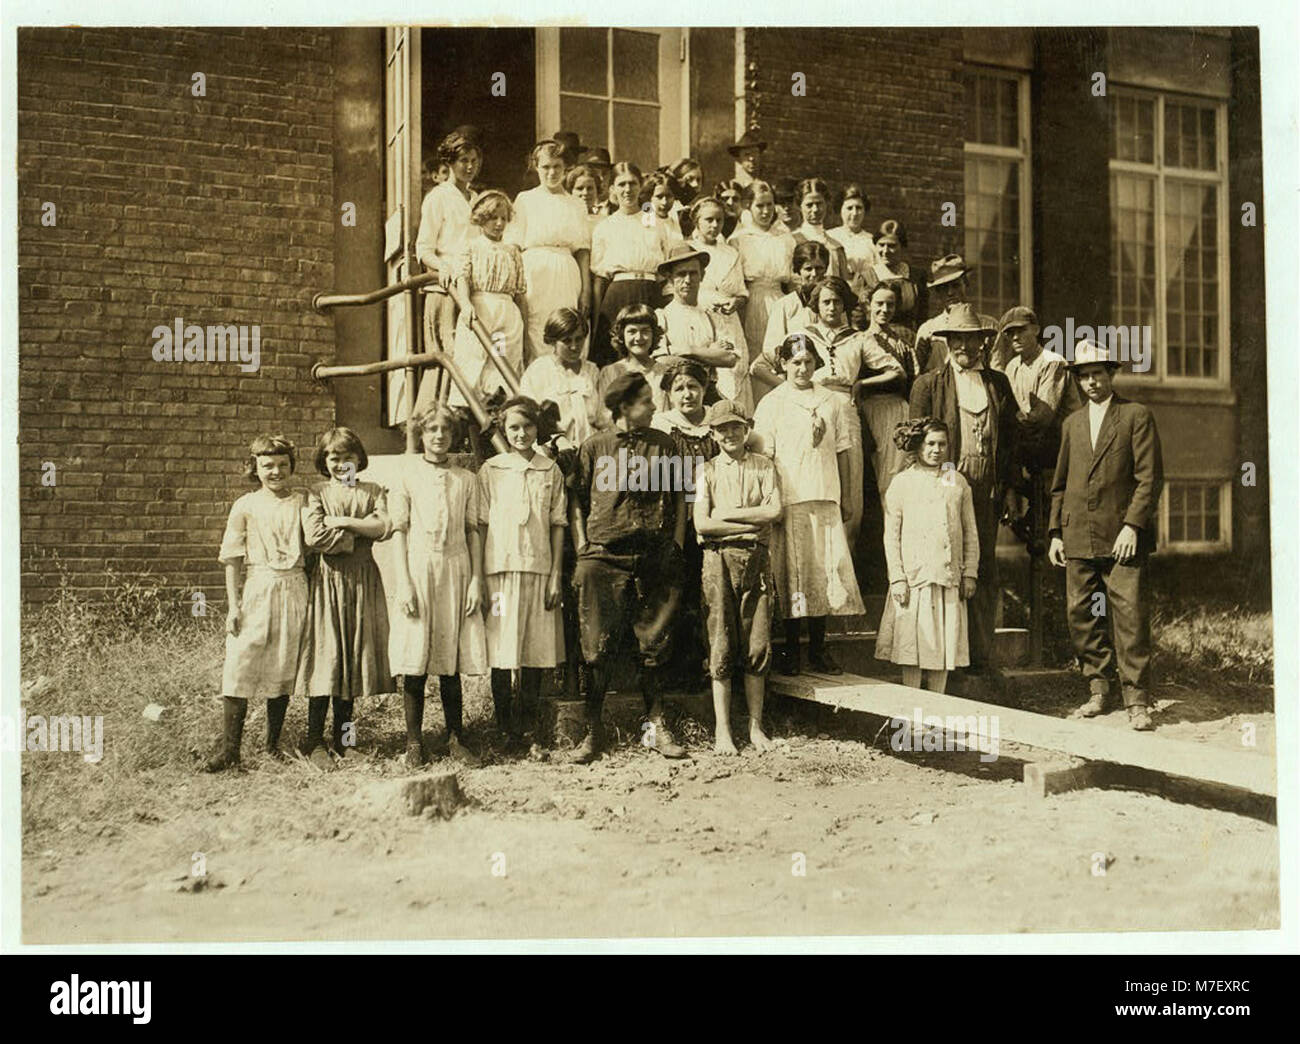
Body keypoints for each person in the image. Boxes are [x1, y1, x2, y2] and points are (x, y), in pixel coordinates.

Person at [570, 372, 689, 763]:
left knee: (654, 645)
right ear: (624, 407)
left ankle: (655, 727)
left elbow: (680, 499)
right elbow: (576, 501)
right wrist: (582, 548)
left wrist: (675, 544)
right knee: (596, 647)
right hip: (604, 557)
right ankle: (592, 730)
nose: (656, 407)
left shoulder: (665, 444)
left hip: (654, 556)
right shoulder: (594, 447)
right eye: (647, 401)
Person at [1049, 340, 1164, 731]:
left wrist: (1133, 525)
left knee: (1129, 614)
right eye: (1084, 376)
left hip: (1121, 537)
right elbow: (1060, 484)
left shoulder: (1135, 416)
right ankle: (1098, 688)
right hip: (1078, 534)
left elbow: (1149, 479)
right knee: (1081, 614)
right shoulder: (1072, 424)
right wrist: (1055, 533)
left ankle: (1137, 699)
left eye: (1098, 373)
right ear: (1078, 381)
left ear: (1111, 375)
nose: (1092, 382)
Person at [909, 303, 1018, 685]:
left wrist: (1009, 489)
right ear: (947, 342)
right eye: (957, 340)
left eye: (971, 340)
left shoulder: (997, 384)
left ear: (982, 344)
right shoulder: (928, 384)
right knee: (946, 571)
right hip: (944, 492)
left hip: (986, 490)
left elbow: (1010, 444)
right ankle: (945, 657)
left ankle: (982, 658)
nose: (964, 348)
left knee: (982, 568)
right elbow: (913, 442)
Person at [753, 334, 865, 676]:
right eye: (795, 362)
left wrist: (846, 495)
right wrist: (772, 499)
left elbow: (845, 449)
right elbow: (764, 455)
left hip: (825, 494)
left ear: (817, 363)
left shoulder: (834, 401)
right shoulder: (772, 402)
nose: (802, 368)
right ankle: (793, 649)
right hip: (790, 498)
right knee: (795, 575)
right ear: (784, 364)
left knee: (823, 573)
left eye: (808, 362)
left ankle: (818, 648)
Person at [388, 405, 488, 769]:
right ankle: (414, 742)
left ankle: (455, 738)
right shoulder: (406, 473)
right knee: (416, 657)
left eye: (446, 430)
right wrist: (404, 583)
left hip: (456, 568)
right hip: (419, 566)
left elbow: (472, 530)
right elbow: (399, 530)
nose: (439, 436)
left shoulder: (466, 478)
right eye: (432, 429)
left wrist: (476, 579)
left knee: (450, 659)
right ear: (421, 433)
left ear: (454, 435)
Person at [205, 435, 309, 772]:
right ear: (255, 468)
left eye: (282, 464)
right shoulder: (245, 505)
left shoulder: (303, 502)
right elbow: (232, 558)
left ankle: (272, 745)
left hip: (293, 585)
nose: (276, 471)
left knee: (282, 663)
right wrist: (234, 606)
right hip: (257, 587)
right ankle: (229, 750)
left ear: (291, 466)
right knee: (240, 663)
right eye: (267, 466)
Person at [296, 428, 392, 769]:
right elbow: (315, 536)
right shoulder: (317, 492)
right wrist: (356, 533)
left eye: (347, 458)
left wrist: (344, 520)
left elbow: (383, 528)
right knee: (327, 659)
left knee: (352, 661)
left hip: (363, 581)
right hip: (329, 582)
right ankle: (313, 741)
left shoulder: (373, 490)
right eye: (334, 458)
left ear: (358, 459)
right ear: (324, 461)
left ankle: (345, 741)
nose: (341, 465)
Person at [478, 396, 568, 753]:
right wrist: (480, 577)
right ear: (503, 429)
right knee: (502, 650)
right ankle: (504, 731)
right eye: (513, 427)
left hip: (538, 570)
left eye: (527, 426)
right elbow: (482, 525)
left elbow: (558, 524)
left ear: (537, 428)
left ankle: (528, 732)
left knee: (534, 652)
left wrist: (556, 575)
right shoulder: (492, 470)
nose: (521, 433)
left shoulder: (551, 470)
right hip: (499, 571)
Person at [694, 399, 782, 754]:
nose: (729, 434)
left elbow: (774, 511)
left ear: (746, 429)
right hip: (717, 562)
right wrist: (749, 522)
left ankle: (756, 727)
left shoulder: (764, 466)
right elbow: (702, 523)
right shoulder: (706, 472)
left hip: (757, 559)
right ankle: (723, 730)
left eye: (735, 426)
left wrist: (726, 516)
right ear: (713, 435)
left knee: (757, 642)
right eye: (721, 429)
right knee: (721, 641)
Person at [800, 275, 906, 547]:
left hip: (846, 408)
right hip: (812, 407)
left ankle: (848, 559)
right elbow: (770, 366)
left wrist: (860, 383)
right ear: (817, 305)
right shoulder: (803, 335)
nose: (832, 307)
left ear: (845, 304)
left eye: (837, 301)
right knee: (815, 477)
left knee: (851, 480)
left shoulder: (858, 339)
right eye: (826, 302)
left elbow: (896, 370)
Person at [875, 418, 980, 693]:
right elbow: (891, 535)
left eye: (942, 444)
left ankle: (937, 707)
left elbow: (969, 531)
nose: (937, 450)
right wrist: (897, 578)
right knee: (913, 647)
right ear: (918, 445)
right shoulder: (903, 482)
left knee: (942, 650)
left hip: (947, 577)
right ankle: (913, 712)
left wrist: (969, 571)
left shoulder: (955, 481)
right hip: (914, 579)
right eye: (930, 443)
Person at [652, 358, 720, 688]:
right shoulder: (663, 426)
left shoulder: (717, 424)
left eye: (693, 386)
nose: (687, 394)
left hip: (713, 518)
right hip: (674, 519)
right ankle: (675, 666)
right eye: (679, 388)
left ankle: (708, 664)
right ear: (667, 393)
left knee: (706, 590)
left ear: (705, 388)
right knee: (676, 588)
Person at [994, 306, 1080, 552]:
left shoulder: (1053, 362)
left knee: (1056, 526)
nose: (1015, 338)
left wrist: (1012, 436)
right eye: (1010, 333)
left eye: (1021, 330)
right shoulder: (1012, 367)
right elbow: (1010, 414)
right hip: (1031, 448)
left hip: (1059, 451)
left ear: (1036, 329)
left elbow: (1042, 418)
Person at [414, 127, 482, 412]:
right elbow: (424, 249)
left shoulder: (478, 198)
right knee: (444, 356)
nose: (469, 166)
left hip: (473, 287)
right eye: (463, 160)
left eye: (474, 161)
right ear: (450, 163)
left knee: (469, 356)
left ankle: (458, 425)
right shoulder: (438, 197)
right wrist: (445, 267)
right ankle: (429, 422)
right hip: (444, 287)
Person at [510, 140, 592, 364]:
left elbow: (583, 250)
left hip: (566, 271)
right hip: (534, 272)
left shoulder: (576, 204)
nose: (552, 172)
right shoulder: (525, 200)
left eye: (557, 166)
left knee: (566, 326)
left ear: (566, 168)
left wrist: (585, 291)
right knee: (536, 327)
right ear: (536, 167)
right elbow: (514, 247)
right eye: (546, 167)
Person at [447, 190, 528, 408]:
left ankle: (498, 409)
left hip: (506, 314)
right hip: (480, 308)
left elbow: (520, 292)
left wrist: (525, 326)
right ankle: (468, 416)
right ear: (482, 218)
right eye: (493, 218)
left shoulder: (512, 251)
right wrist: (465, 304)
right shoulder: (471, 246)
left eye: (503, 218)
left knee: (501, 361)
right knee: (473, 361)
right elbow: (462, 277)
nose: (499, 223)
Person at [590, 162, 675, 368]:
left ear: (641, 186)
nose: (627, 190)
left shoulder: (654, 222)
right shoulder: (605, 226)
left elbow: (667, 268)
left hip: (650, 292)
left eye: (632, 183)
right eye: (621, 184)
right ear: (612, 189)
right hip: (617, 295)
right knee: (617, 357)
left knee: (653, 355)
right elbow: (600, 277)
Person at [655, 243, 747, 411]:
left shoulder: (712, 315)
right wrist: (710, 352)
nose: (688, 280)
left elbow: (729, 358)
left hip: (708, 394)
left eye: (693, 273)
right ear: (670, 279)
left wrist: (685, 349)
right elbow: (662, 361)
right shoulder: (663, 316)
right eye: (681, 274)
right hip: (676, 398)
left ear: (702, 275)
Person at [730, 180, 795, 401]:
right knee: (758, 359)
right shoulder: (740, 240)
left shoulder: (785, 239)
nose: (766, 211)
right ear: (749, 207)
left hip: (781, 300)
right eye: (760, 206)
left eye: (770, 205)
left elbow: (792, 278)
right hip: (752, 303)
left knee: (782, 357)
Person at [860, 284, 922, 500]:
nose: (884, 309)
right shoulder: (859, 340)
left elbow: (913, 378)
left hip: (897, 411)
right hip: (869, 410)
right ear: (869, 305)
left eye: (890, 305)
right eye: (879, 304)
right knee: (871, 473)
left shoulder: (903, 342)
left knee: (895, 472)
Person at [692, 196, 751, 407]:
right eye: (709, 220)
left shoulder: (731, 253)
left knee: (732, 373)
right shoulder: (688, 249)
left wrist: (737, 302)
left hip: (728, 323)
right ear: (697, 221)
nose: (715, 225)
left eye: (719, 220)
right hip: (699, 319)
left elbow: (742, 292)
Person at [521, 307, 608, 448]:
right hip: (552, 452)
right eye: (567, 341)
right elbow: (529, 418)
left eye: (579, 339)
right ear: (553, 341)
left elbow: (603, 417)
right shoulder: (538, 371)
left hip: (591, 451)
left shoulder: (592, 371)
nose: (574, 346)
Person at [751, 240, 828, 395]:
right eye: (808, 269)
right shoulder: (785, 305)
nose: (814, 274)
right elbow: (772, 352)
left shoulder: (832, 303)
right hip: (796, 377)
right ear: (797, 271)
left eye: (819, 268)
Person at [916, 254, 998, 373]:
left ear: (966, 285)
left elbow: (997, 369)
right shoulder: (928, 329)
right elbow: (918, 373)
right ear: (938, 292)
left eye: (956, 286)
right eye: (944, 288)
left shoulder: (989, 326)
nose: (950, 293)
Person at [597, 302, 672, 417]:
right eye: (632, 331)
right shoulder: (610, 372)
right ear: (622, 335)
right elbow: (604, 415)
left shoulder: (665, 372)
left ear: (654, 334)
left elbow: (674, 413)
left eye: (645, 331)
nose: (639, 338)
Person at [861, 219, 926, 330]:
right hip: (875, 338)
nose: (885, 251)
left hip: (908, 337)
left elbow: (923, 315)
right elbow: (858, 318)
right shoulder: (866, 277)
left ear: (902, 246)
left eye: (891, 246)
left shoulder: (916, 276)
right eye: (881, 245)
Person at [827, 183, 876, 310]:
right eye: (849, 208)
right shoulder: (830, 237)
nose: (855, 213)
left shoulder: (871, 241)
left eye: (859, 208)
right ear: (840, 209)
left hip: (862, 300)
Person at [791, 178, 849, 281]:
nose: (815, 210)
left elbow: (843, 285)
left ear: (826, 204)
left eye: (819, 204)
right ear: (799, 206)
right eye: (809, 205)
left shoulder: (835, 247)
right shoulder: (790, 241)